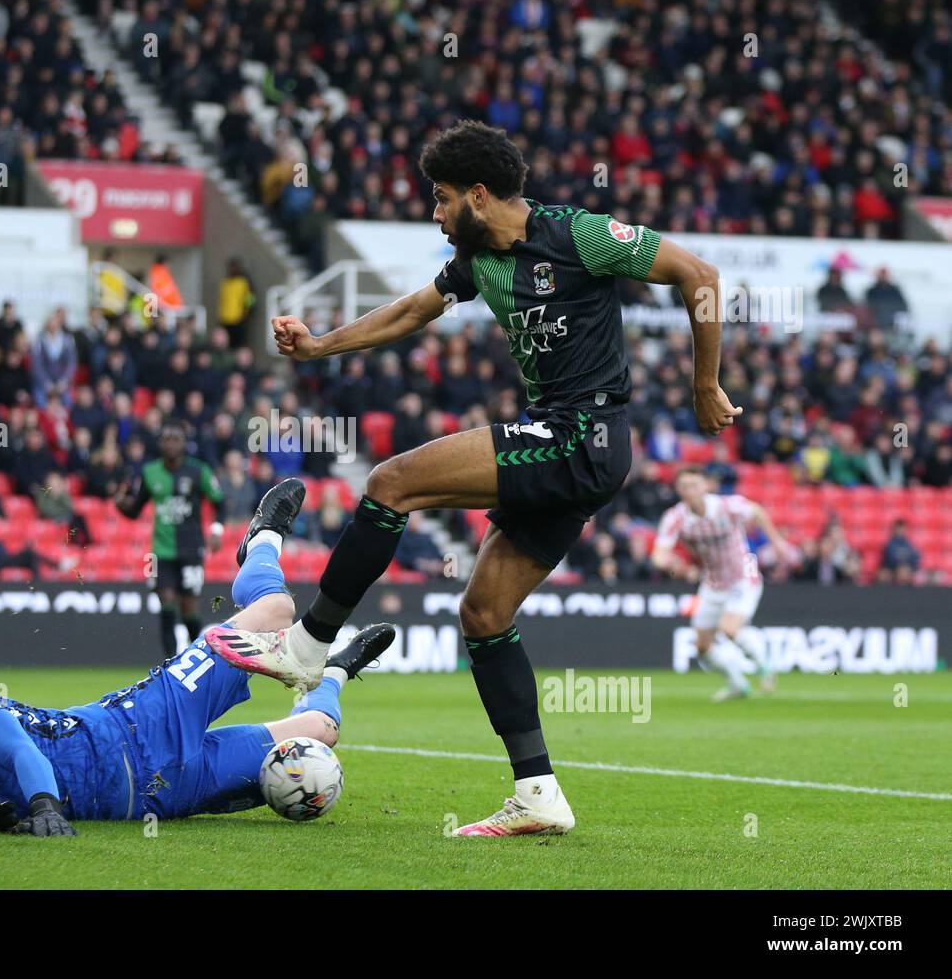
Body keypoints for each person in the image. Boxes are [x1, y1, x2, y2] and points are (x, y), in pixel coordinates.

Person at [202, 120, 743, 837]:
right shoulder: (477, 260)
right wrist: (318, 347)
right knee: (484, 615)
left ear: (479, 196)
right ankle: (538, 794)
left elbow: (700, 275)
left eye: (442, 197)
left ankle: (307, 646)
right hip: (565, 445)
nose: (435, 212)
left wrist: (705, 384)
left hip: (581, 435)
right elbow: (409, 311)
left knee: (391, 482)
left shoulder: (579, 235)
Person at [0, 481, 395, 832]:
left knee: (277, 612)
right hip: (164, 793)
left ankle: (260, 541)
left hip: (139, 724)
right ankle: (335, 670)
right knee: (320, 734)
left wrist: (41, 801)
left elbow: (14, 746)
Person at [651, 467, 795, 701]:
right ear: (678, 490)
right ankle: (738, 684)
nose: (690, 491)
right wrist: (673, 565)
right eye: (684, 486)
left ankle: (764, 666)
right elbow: (659, 555)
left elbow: (757, 511)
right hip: (712, 582)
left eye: (694, 485)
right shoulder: (675, 517)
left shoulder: (726, 506)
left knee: (729, 629)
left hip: (743, 576)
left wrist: (777, 541)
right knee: (702, 647)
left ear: (705, 486)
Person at [116, 421, 225, 659]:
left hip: (192, 549)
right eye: (167, 439)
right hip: (159, 552)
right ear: (160, 443)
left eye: (176, 439)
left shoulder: (199, 471)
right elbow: (134, 510)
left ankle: (202, 658)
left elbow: (220, 502)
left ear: (184, 443)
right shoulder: (149, 472)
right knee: (165, 602)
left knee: (189, 608)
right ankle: (169, 662)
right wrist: (121, 504)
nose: (171, 444)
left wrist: (216, 531)